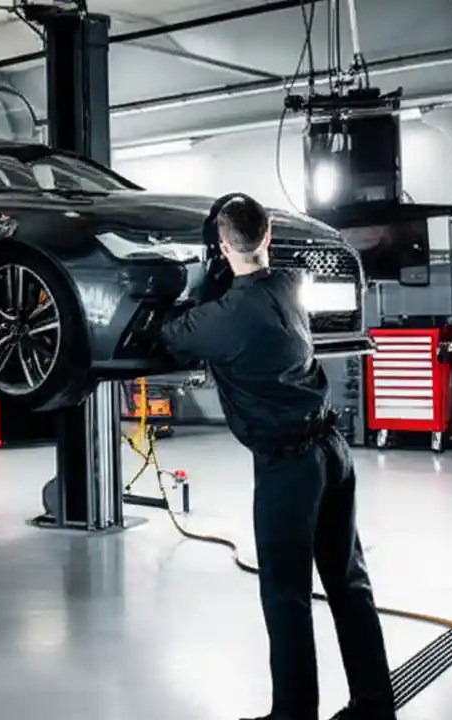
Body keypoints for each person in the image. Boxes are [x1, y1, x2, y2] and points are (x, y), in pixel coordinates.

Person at [158, 193, 396, 720]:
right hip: (333, 453)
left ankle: (293, 715)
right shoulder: (292, 286)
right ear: (268, 237)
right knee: (348, 582)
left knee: (285, 596)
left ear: (221, 247)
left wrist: (200, 287)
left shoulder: (222, 316)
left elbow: (170, 336)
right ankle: (376, 707)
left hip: (288, 468)